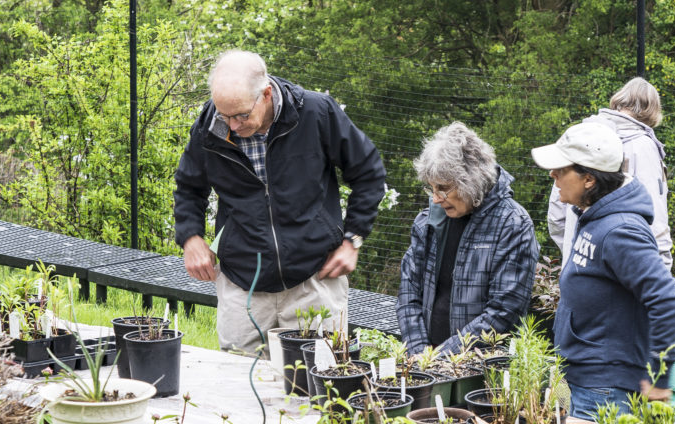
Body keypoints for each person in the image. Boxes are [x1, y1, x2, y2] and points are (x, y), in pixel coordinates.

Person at [173, 50, 386, 354]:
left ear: (267, 94)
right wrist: (191, 237)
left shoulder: (315, 113)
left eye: (241, 115)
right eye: (225, 115)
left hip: (314, 280)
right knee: (237, 387)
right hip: (242, 284)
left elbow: (369, 172)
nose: (232, 126)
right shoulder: (211, 126)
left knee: (317, 389)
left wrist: (353, 239)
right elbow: (189, 186)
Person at [532, 122, 675, 419]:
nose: (553, 175)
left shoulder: (621, 231)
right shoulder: (594, 216)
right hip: (586, 381)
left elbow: (668, 302)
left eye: (561, 169)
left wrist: (659, 379)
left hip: (606, 391)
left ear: (588, 179)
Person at [397, 122, 538, 355]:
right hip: (426, 361)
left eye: (443, 188)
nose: (435, 199)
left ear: (471, 180)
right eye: (431, 188)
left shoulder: (512, 224)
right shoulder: (428, 221)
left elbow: (504, 311)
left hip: (481, 368)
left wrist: (443, 357)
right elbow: (408, 292)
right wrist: (419, 352)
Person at [548, 77, 672, 270]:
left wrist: (575, 251)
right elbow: (654, 219)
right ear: (653, 111)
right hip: (620, 275)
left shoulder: (584, 135)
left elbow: (556, 214)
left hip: (575, 271)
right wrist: (661, 267)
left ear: (619, 101)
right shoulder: (643, 147)